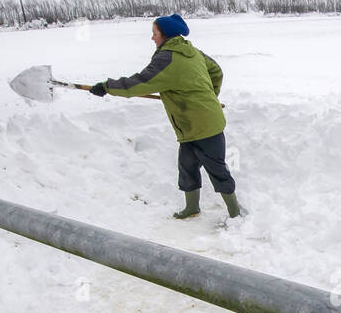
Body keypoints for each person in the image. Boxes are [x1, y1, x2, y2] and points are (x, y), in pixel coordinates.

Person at [90, 14, 243, 219]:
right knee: (187, 166)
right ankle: (192, 208)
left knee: (216, 169)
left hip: (205, 126)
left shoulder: (167, 58)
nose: (152, 38)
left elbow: (140, 82)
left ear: (165, 34)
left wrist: (107, 87)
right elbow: (216, 71)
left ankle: (235, 213)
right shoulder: (191, 51)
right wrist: (209, 95)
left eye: (154, 33)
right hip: (191, 125)